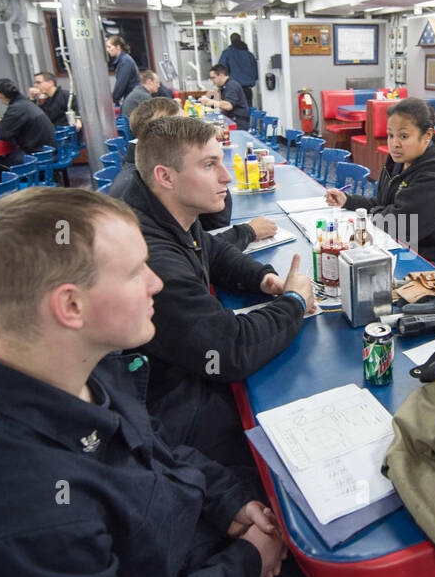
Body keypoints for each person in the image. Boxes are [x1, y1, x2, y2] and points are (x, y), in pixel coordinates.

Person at [0, 188, 407, 577]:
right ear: (71, 305)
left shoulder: (77, 366)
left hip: (177, 559)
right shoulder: (17, 519)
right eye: (135, 273)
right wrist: (246, 563)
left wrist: (227, 503)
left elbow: (154, 446)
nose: (156, 282)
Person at [116, 114, 312, 465]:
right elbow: (228, 350)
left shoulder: (165, 212)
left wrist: (261, 278)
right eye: (209, 165)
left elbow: (209, 248)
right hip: (165, 410)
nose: (227, 177)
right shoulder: (149, 255)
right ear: (166, 177)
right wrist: (294, 302)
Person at [111, 97, 278, 252]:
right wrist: (248, 232)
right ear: (159, 133)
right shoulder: (137, 186)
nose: (190, 130)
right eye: (181, 126)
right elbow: (206, 236)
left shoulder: (136, 173)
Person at [326, 97, 435, 270]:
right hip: (409, 246)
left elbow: (399, 226)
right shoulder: (398, 161)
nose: (394, 144)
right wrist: (348, 201)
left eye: (403, 136)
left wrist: (378, 213)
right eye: (390, 135)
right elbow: (384, 204)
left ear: (427, 135)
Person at [0, 78, 56, 167]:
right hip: (48, 152)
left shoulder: (16, 108)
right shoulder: (24, 103)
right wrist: (0, 120)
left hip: (38, 156)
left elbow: (1, 134)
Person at [199, 64, 249, 131]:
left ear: (221, 76)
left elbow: (228, 105)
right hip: (230, 119)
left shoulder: (231, 86)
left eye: (213, 78)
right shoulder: (225, 86)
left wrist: (209, 102)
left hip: (237, 122)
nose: (212, 81)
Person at [218, 33, 258, 108]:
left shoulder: (227, 53)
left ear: (231, 40)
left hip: (233, 90)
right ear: (240, 39)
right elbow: (255, 74)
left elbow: (221, 71)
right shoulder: (249, 55)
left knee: (233, 114)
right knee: (247, 112)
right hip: (247, 90)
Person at [106, 35, 139, 106]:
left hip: (132, 99)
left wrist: (113, 99)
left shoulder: (125, 61)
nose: (107, 50)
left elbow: (121, 84)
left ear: (118, 47)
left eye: (109, 47)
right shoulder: (124, 60)